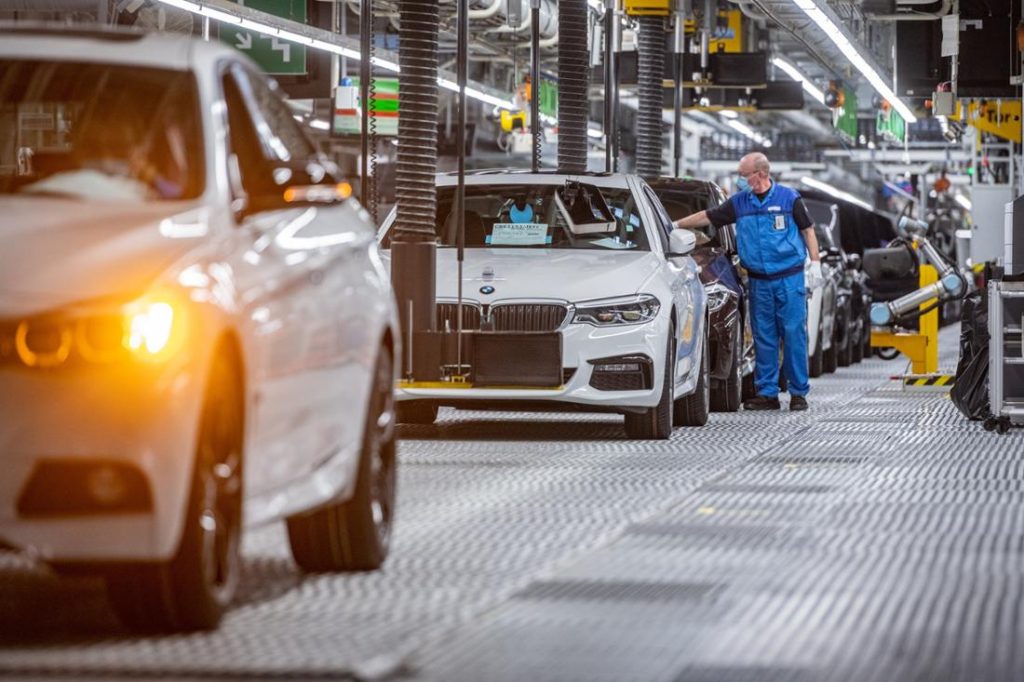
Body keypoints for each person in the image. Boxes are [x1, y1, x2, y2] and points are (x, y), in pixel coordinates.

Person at [672, 152, 823, 411]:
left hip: (789, 278)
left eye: (743, 175)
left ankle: (798, 393)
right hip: (759, 281)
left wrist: (816, 263)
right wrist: (675, 223)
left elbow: (808, 230)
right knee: (764, 337)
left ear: (760, 174)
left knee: (794, 335)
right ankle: (767, 394)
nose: (740, 180)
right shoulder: (740, 202)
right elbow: (708, 216)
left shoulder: (789, 199)